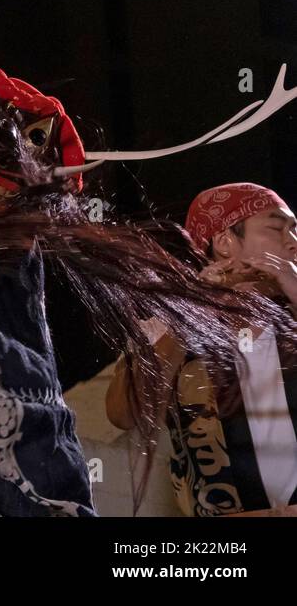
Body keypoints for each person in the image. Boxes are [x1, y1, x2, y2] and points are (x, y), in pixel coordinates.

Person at [106, 183, 297, 515]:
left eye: (295, 231)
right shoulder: (166, 320)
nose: (293, 243)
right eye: (277, 228)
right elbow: (123, 414)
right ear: (225, 243)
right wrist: (192, 313)